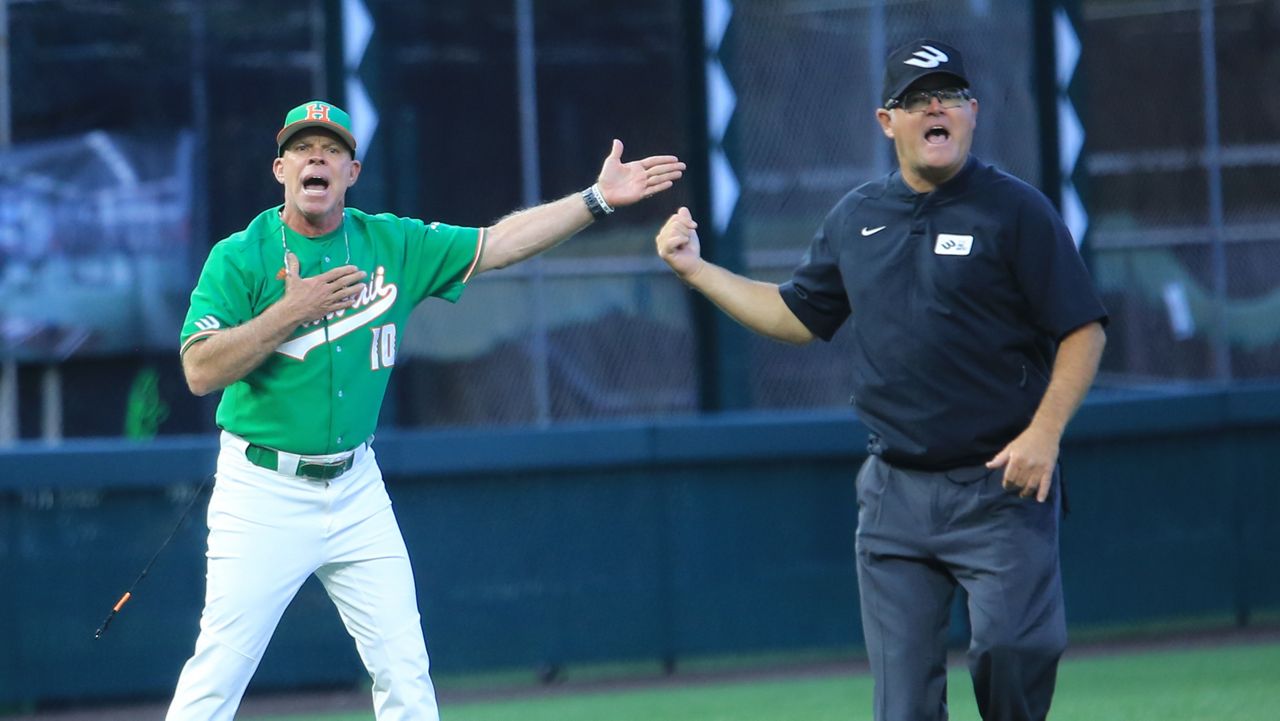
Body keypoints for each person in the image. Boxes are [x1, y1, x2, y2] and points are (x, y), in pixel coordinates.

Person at [171, 99, 684, 721]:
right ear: (280, 169)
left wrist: (596, 199)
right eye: (303, 149)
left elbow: (498, 244)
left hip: (356, 485)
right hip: (262, 489)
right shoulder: (241, 255)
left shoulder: (392, 242)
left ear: (351, 173)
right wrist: (287, 313)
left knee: (406, 672)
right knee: (219, 672)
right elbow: (199, 371)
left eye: (331, 150)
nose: (317, 159)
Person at [655, 39, 1107, 721]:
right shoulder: (856, 218)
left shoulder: (1016, 211)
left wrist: (1045, 434)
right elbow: (795, 315)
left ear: (973, 113)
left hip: (1001, 485)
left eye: (949, 95)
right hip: (895, 493)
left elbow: (1084, 328)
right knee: (902, 708)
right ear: (885, 121)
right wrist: (696, 269)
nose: (935, 108)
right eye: (916, 98)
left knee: (1014, 650)